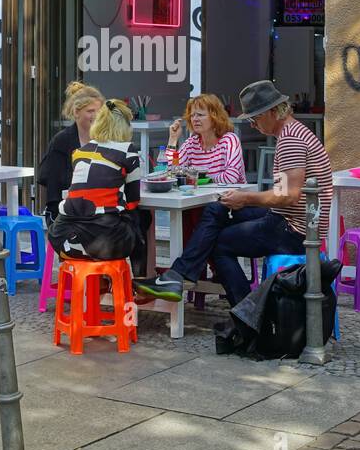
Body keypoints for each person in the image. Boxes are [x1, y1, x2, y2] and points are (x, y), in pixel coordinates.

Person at [134, 79, 332, 306]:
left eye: (254, 118)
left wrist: (246, 197)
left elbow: (288, 195)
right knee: (216, 210)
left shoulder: (290, 139)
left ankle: (245, 311)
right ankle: (177, 276)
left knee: (219, 243)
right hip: (292, 219)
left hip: (295, 229)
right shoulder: (292, 133)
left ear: (272, 112)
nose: (253, 125)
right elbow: (285, 193)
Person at [47, 99, 145, 264]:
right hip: (102, 243)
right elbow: (134, 201)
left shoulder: (79, 152)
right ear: (126, 126)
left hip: (62, 239)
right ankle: (139, 281)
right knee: (140, 218)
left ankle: (102, 284)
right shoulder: (128, 150)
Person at [38, 81, 104, 224]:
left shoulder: (105, 139)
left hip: (101, 208)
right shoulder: (61, 141)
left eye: (99, 111)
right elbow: (54, 188)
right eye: (90, 111)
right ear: (76, 112)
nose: (96, 116)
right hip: (66, 212)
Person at [165, 93, 246, 184]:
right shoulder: (191, 144)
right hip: (202, 196)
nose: (195, 119)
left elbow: (231, 177)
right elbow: (169, 174)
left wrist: (202, 180)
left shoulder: (229, 140)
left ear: (215, 117)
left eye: (200, 115)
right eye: (192, 115)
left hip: (232, 196)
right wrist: (173, 139)